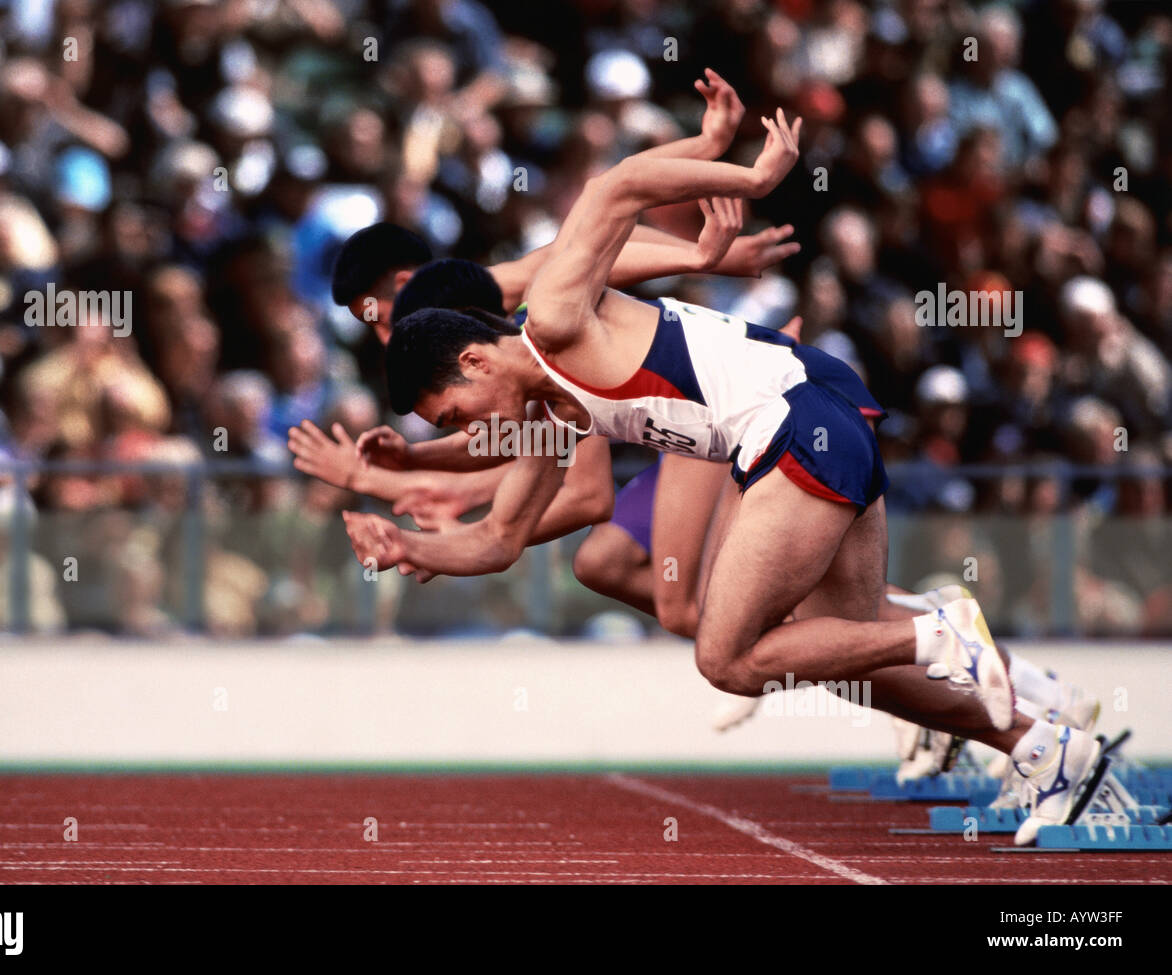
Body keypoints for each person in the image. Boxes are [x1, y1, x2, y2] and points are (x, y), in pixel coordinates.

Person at [343, 108, 1107, 846]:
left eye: (454, 414)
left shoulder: (555, 314)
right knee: (850, 655)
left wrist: (741, 171)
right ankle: (1043, 745)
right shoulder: (549, 416)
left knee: (727, 654)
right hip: (817, 422)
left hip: (794, 423)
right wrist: (405, 544)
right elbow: (501, 538)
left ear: (475, 359)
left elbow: (612, 190)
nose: (472, 431)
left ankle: (938, 630)